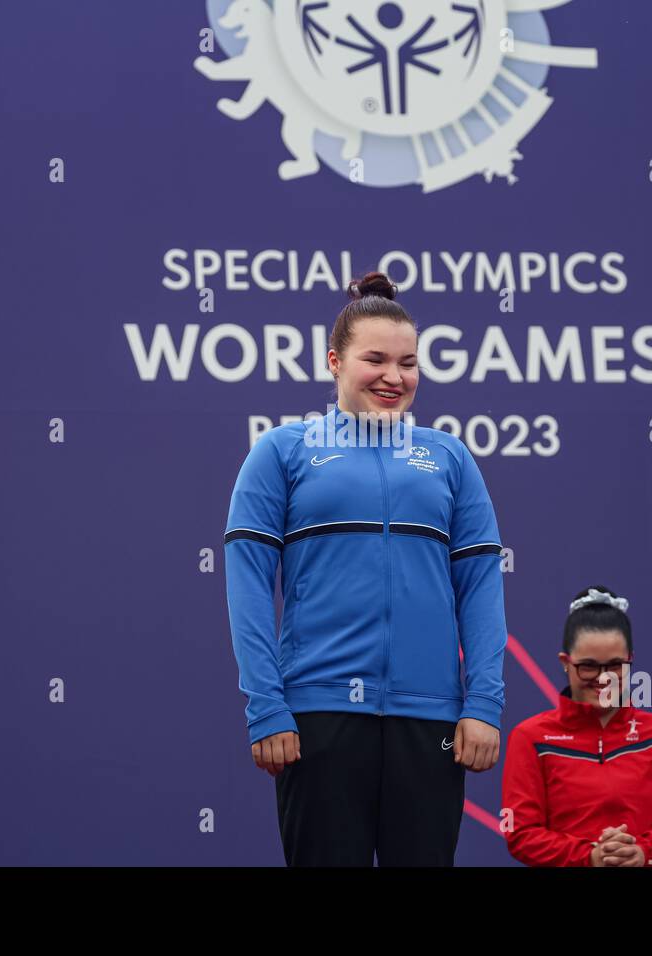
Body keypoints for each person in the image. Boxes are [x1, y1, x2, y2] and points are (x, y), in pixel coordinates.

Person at [223, 271, 507, 866]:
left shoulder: (451, 457)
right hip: (318, 715)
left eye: (408, 363)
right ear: (334, 361)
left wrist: (482, 704)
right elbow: (248, 584)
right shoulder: (282, 450)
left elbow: (480, 587)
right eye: (374, 359)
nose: (393, 377)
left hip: (429, 718)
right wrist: (267, 706)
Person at [502, 587, 652, 867]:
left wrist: (643, 853)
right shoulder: (530, 737)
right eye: (588, 667)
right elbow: (520, 832)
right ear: (565, 663)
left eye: (615, 665)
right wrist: (589, 857)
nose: (603, 678)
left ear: (630, 660)